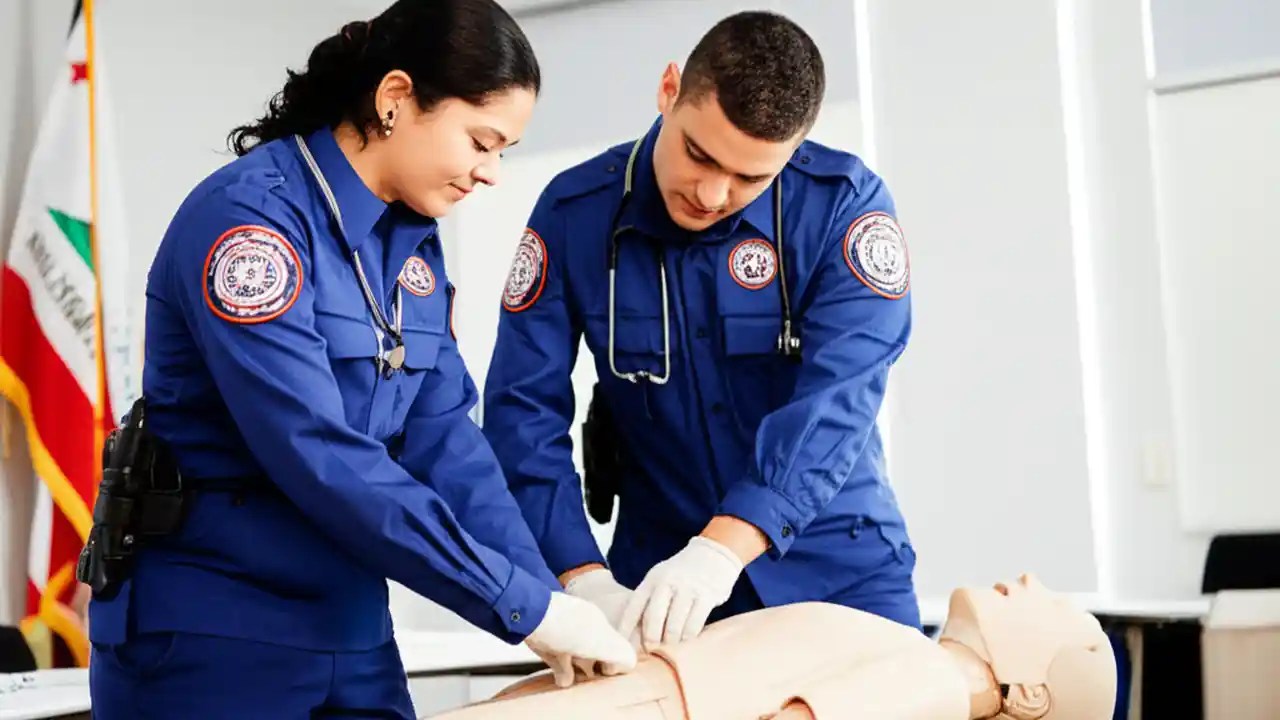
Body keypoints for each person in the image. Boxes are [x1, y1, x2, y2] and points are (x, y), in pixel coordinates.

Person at [80, 2, 635, 718]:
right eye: (481, 141)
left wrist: (557, 595)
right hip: (215, 632)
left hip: (350, 626)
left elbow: (445, 441)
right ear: (396, 99)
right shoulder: (251, 227)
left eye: (504, 150)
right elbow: (318, 452)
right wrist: (519, 605)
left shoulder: (411, 244)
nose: (491, 172)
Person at [482, 10, 919, 654]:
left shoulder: (843, 208)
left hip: (840, 572)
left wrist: (720, 552)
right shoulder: (575, 213)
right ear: (669, 91)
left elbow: (837, 403)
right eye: (698, 154)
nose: (713, 194)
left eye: (751, 178)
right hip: (655, 592)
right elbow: (522, 413)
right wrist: (582, 578)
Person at [430, 574, 1119, 719]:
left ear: (1029, 694)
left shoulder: (929, 680)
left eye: (1053, 605)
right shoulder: (911, 654)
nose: (1030, 581)